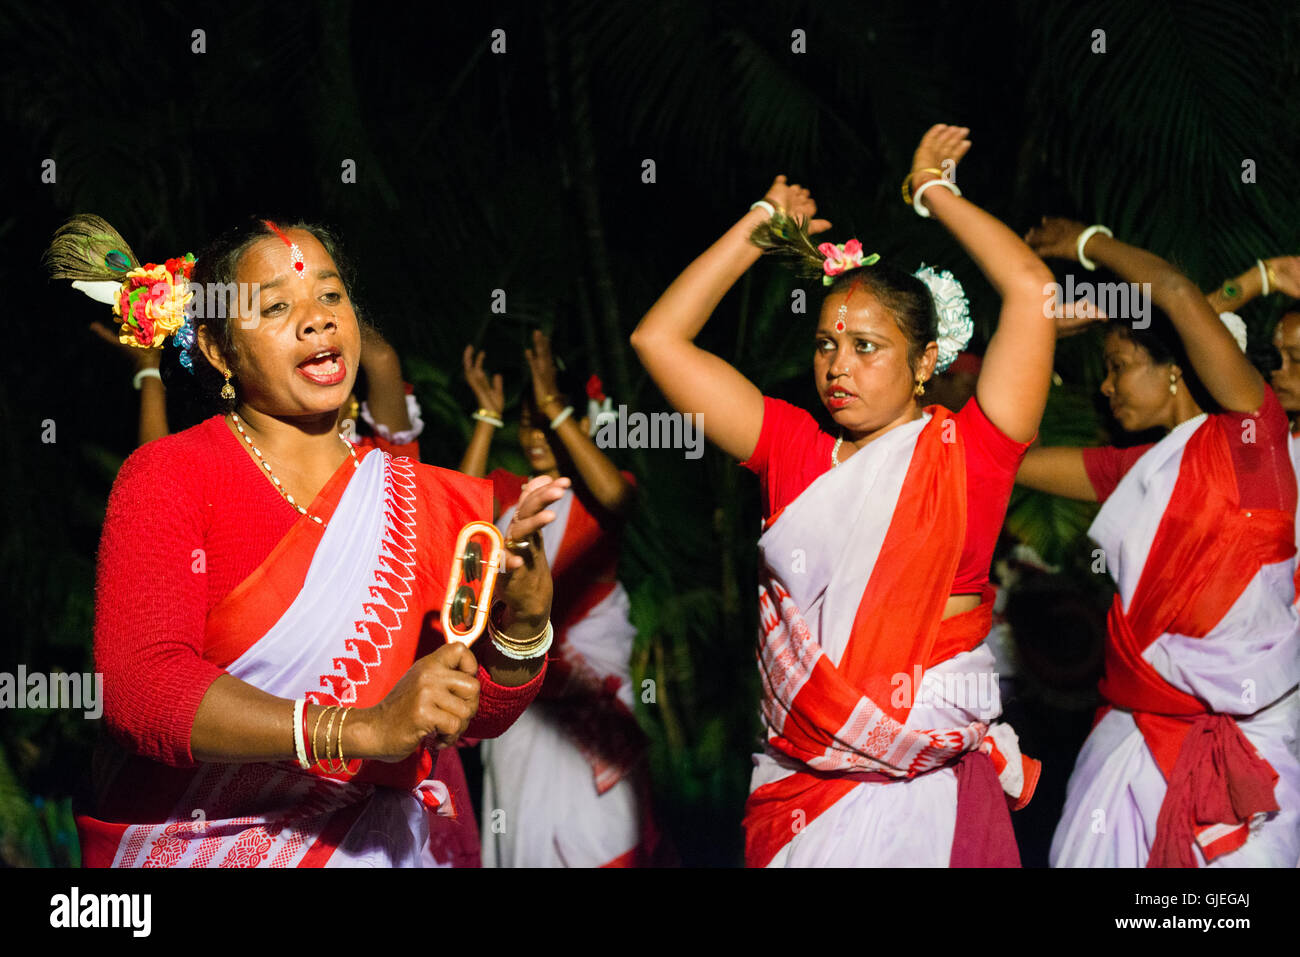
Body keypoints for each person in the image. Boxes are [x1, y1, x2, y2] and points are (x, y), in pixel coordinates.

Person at [50, 215, 566, 867]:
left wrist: (525, 621)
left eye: (330, 295)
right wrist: (360, 729)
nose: (318, 318)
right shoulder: (171, 474)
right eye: (275, 305)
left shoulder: (431, 501)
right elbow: (141, 687)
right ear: (216, 348)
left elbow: (477, 712)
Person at [631, 124, 1054, 867]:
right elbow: (658, 340)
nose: (839, 365)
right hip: (805, 800)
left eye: (867, 346)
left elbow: (1032, 288)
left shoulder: (973, 453)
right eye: (827, 343)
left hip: (929, 797)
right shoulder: (791, 445)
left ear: (926, 361)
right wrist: (758, 225)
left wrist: (931, 190)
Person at [1017, 218, 1300, 867]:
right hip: (1131, 740)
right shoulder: (1137, 471)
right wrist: (1034, 336)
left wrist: (1083, 244)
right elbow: (1007, 451)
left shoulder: (1252, 439)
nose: (1106, 386)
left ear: (1175, 371)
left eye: (1118, 366)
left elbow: (1175, 292)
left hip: (1248, 747)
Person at [460, 330, 656, 866]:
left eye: (548, 422)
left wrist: (553, 406)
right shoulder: (508, 495)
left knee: (602, 837)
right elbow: (457, 511)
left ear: (580, 424)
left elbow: (618, 497)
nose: (537, 434)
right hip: (519, 698)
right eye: (528, 424)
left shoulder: (602, 492)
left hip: (589, 702)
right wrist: (488, 417)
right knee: (525, 836)